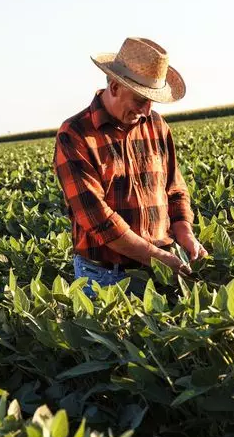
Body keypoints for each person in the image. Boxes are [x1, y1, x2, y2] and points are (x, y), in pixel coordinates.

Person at [53, 37, 207, 297]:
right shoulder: (76, 134)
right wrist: (155, 256)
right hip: (105, 276)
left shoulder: (156, 126)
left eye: (151, 101)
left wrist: (185, 233)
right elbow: (98, 220)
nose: (146, 109)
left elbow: (175, 190)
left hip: (162, 266)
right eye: (139, 99)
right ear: (114, 86)